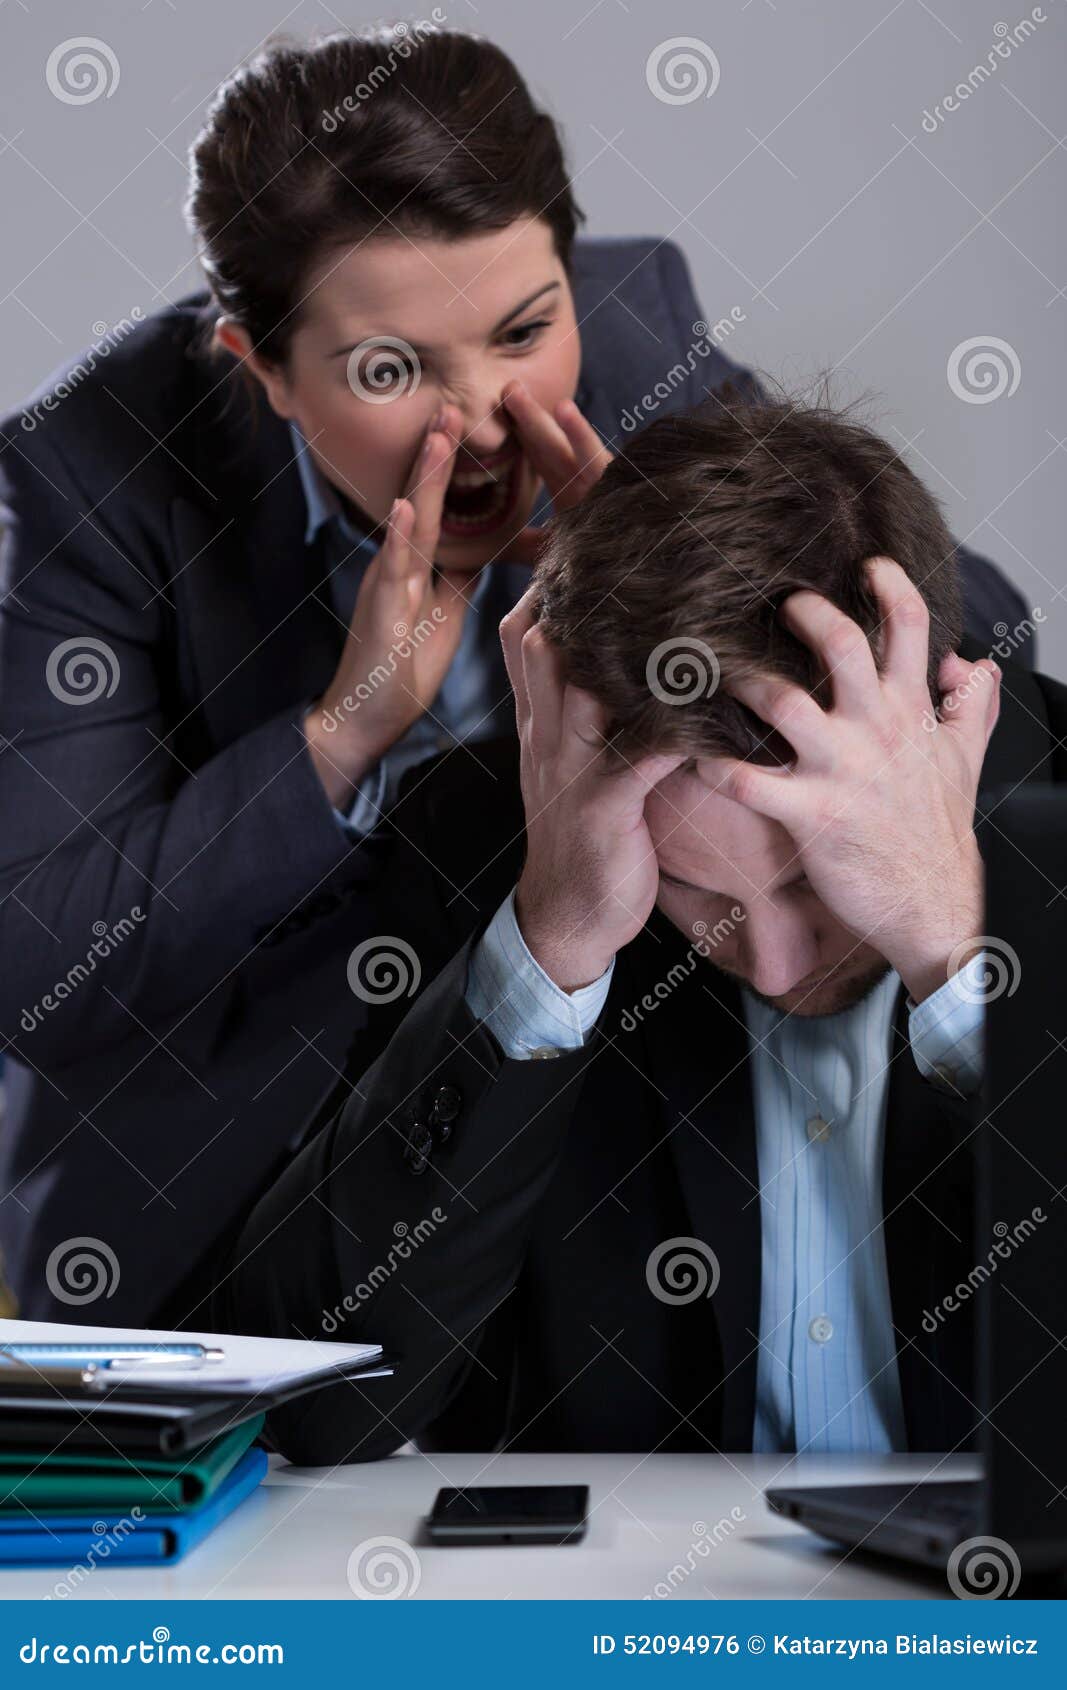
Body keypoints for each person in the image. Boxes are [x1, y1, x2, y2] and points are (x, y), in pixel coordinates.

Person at [0, 28, 769, 1324]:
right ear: (263, 371)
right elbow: (34, 962)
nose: (478, 419)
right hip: (228, 1203)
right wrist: (339, 740)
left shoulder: (638, 340)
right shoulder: (86, 470)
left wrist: (670, 581)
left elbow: (966, 639)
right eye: (388, 369)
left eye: (525, 329)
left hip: (598, 1191)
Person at [209, 396, 1066, 1465]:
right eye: (700, 896)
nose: (770, 963)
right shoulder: (490, 841)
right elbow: (308, 1402)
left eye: (815, 887)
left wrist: (954, 951)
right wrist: (547, 947)